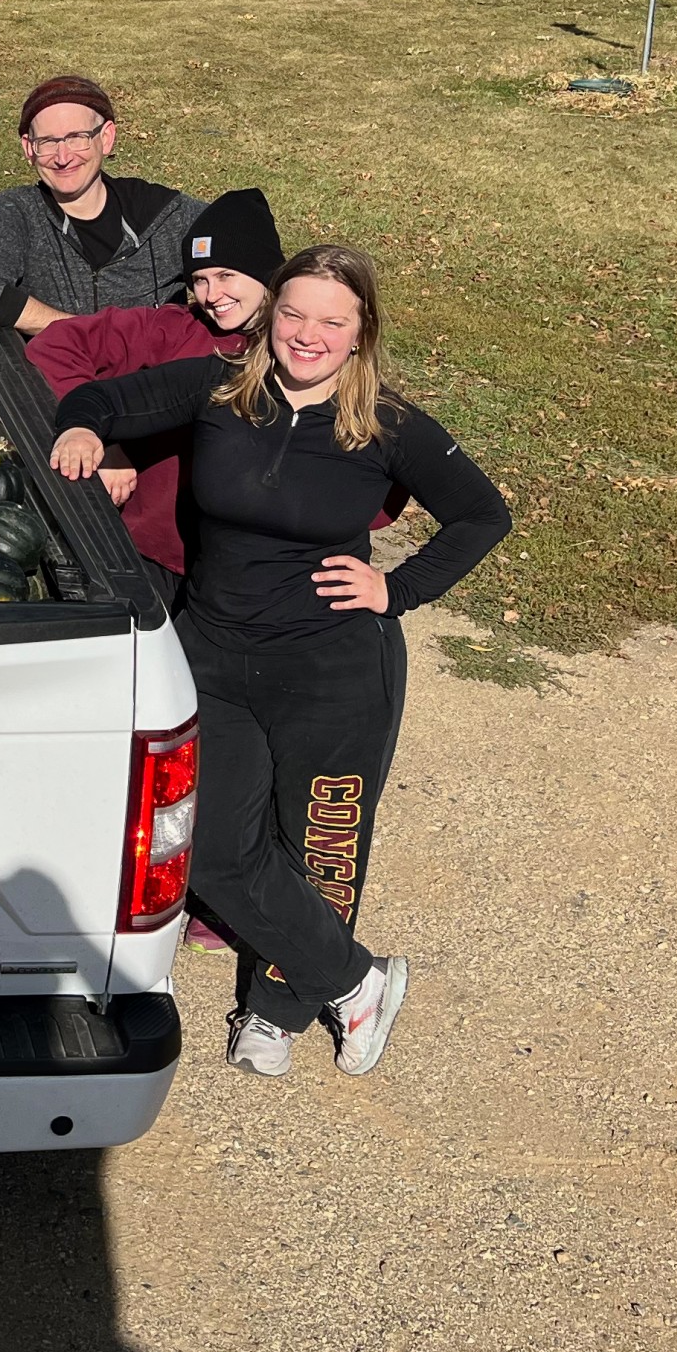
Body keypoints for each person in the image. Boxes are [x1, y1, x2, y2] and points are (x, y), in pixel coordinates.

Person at [48, 244, 511, 1081]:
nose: (308, 334)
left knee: (320, 846)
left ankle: (279, 1007)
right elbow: (101, 397)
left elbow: (482, 516)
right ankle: (355, 979)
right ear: (271, 316)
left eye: (332, 321)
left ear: (362, 331)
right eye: (294, 313)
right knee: (214, 847)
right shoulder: (219, 391)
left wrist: (395, 590)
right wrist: (87, 430)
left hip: (331, 667)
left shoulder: (387, 426)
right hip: (217, 655)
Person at [26, 187, 287, 588]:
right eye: (198, 280)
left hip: (247, 574)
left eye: (225, 276)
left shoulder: (302, 351)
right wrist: (98, 432)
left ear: (264, 271)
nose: (211, 296)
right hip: (150, 553)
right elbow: (58, 343)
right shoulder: (174, 328)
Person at [0, 76, 203, 334]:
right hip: (52, 373)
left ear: (106, 138)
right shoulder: (16, 212)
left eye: (77, 138)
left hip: (160, 372)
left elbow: (238, 242)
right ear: (29, 149)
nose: (63, 157)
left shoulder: (163, 213)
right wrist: (88, 333)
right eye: (48, 142)